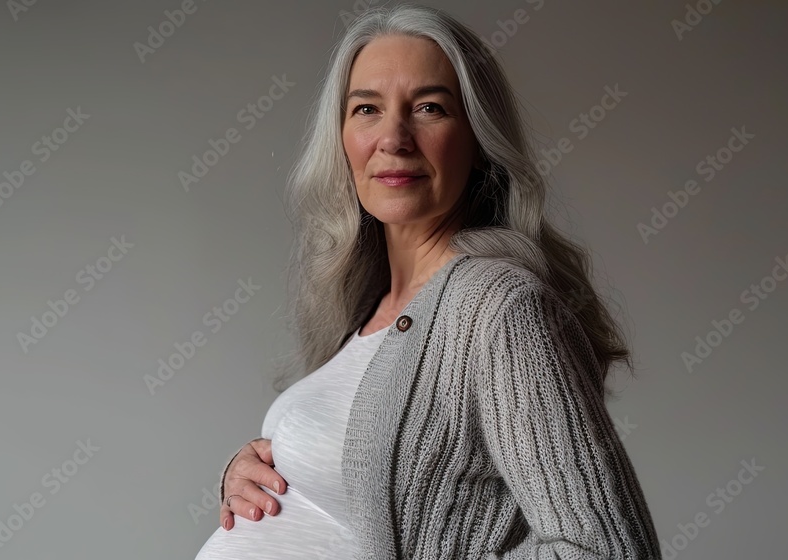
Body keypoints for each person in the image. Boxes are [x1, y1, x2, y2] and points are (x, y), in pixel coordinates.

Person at [195, 3, 661, 558]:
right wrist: (253, 474)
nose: (393, 137)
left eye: (430, 108)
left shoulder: (495, 306)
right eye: (366, 108)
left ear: (478, 142)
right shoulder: (368, 305)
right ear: (342, 137)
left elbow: (607, 551)